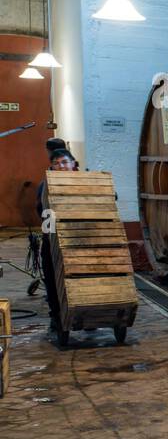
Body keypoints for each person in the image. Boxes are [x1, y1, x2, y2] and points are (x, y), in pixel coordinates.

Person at [38, 138, 78, 333]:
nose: (61, 166)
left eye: (64, 162)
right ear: (51, 167)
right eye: (56, 163)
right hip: (54, 238)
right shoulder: (44, 186)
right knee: (52, 278)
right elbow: (42, 213)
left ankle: (83, 312)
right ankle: (56, 315)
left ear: (73, 164)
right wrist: (49, 237)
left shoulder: (89, 181)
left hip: (82, 238)